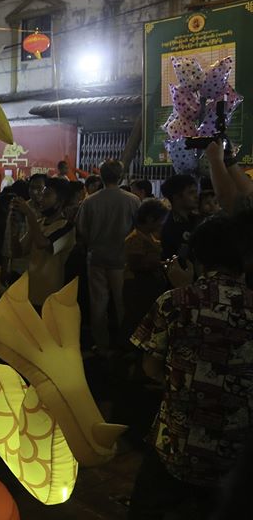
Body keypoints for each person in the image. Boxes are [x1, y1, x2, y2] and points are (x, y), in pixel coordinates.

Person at [128, 216, 253, 519]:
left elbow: (150, 367)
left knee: (147, 507)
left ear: (197, 257)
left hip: (176, 443)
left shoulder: (174, 301)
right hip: (235, 452)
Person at [75, 159, 141, 353]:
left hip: (96, 257)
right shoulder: (132, 200)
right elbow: (138, 229)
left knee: (98, 303)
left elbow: (81, 230)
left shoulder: (90, 201)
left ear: (101, 176)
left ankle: (102, 345)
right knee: (122, 303)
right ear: (120, 177)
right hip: (122, 259)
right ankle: (125, 344)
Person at [11, 177, 75, 309]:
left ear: (60, 201)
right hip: (31, 293)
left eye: (47, 195)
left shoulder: (66, 226)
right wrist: (14, 233)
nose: (41, 199)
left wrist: (29, 214)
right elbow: (19, 252)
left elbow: (42, 244)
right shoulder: (40, 223)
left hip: (52, 296)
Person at [122, 199, 170, 343]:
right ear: (150, 218)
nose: (162, 223)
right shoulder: (136, 238)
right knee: (136, 317)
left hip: (144, 284)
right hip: (137, 284)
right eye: (160, 220)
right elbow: (135, 264)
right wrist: (159, 264)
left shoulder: (147, 236)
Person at [159, 174, 199, 261]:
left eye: (196, 192)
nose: (197, 196)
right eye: (191, 192)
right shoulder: (168, 226)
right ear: (176, 197)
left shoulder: (198, 219)